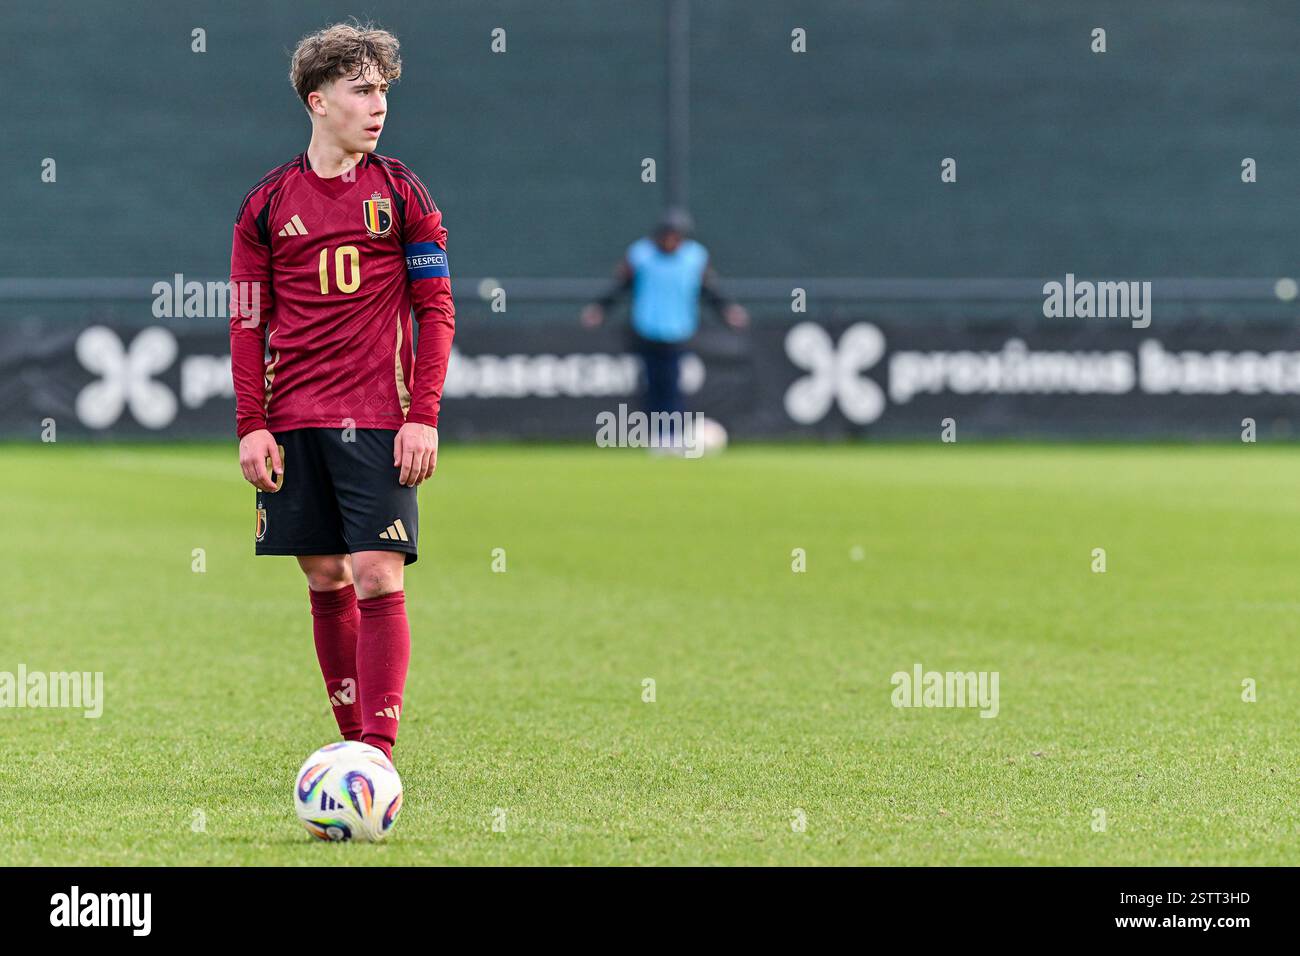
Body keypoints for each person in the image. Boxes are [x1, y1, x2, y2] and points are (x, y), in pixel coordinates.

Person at [228, 22, 455, 764]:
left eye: (383, 89)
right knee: (326, 575)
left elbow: (436, 308)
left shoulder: (403, 193)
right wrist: (250, 426)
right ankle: (351, 744)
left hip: (380, 420)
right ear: (318, 101)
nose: (378, 104)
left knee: (376, 570)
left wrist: (422, 417)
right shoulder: (265, 205)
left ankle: (377, 754)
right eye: (362, 90)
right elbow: (247, 322)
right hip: (292, 419)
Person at [582, 209, 748, 446]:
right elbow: (621, 287)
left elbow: (709, 290)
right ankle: (656, 434)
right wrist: (600, 308)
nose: (670, 240)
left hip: (678, 331)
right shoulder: (641, 254)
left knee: (671, 383)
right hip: (646, 330)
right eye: (667, 235)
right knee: (651, 383)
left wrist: (727, 310)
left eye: (675, 236)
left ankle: (671, 434)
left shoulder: (695, 257)